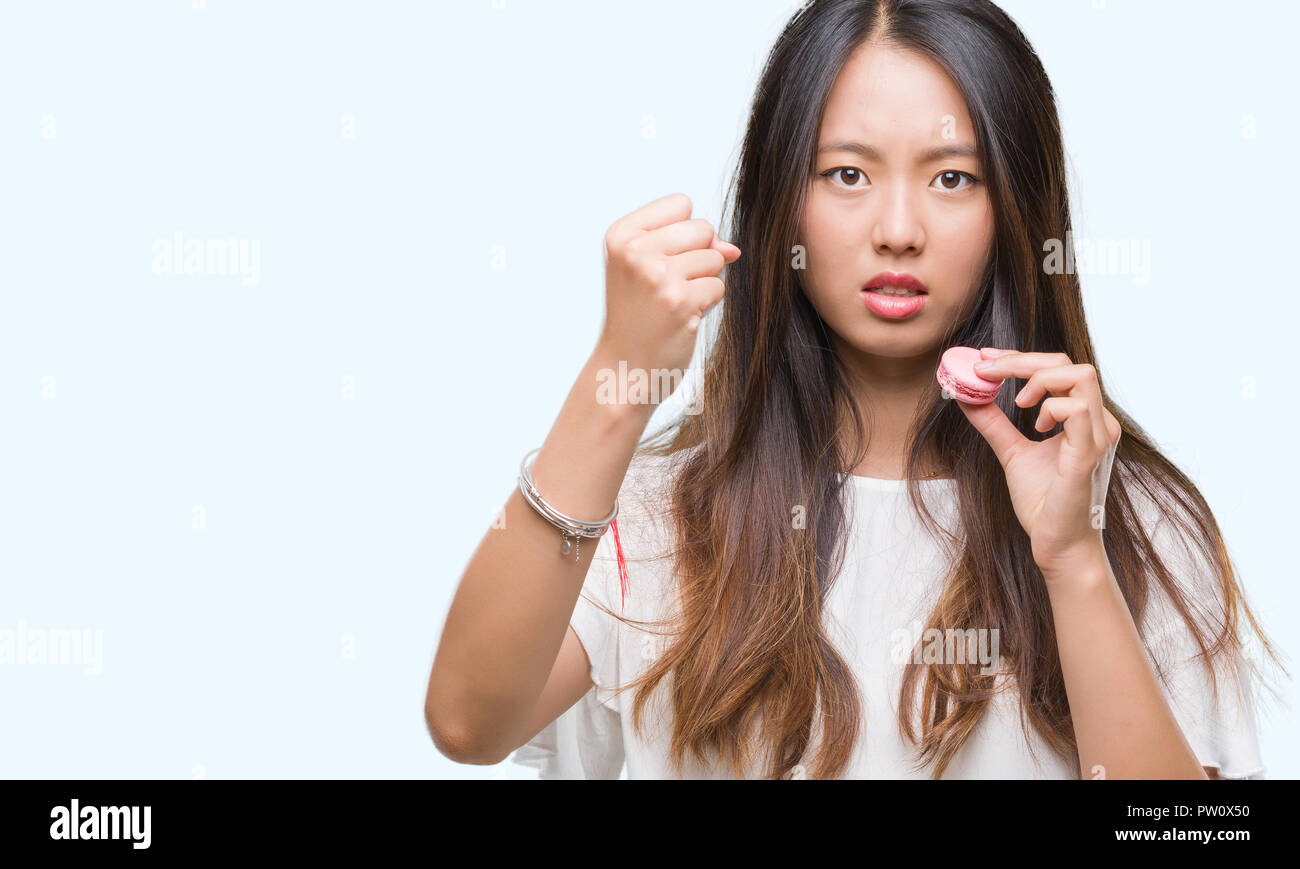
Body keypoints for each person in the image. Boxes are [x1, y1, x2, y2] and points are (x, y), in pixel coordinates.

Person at [424, 0, 1284, 779]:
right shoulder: (658, 521)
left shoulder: (1134, 521)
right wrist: (617, 375)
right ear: (780, 201)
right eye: (847, 174)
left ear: (1015, 207)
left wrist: (1073, 558)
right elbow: (467, 722)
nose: (898, 231)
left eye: (953, 177)